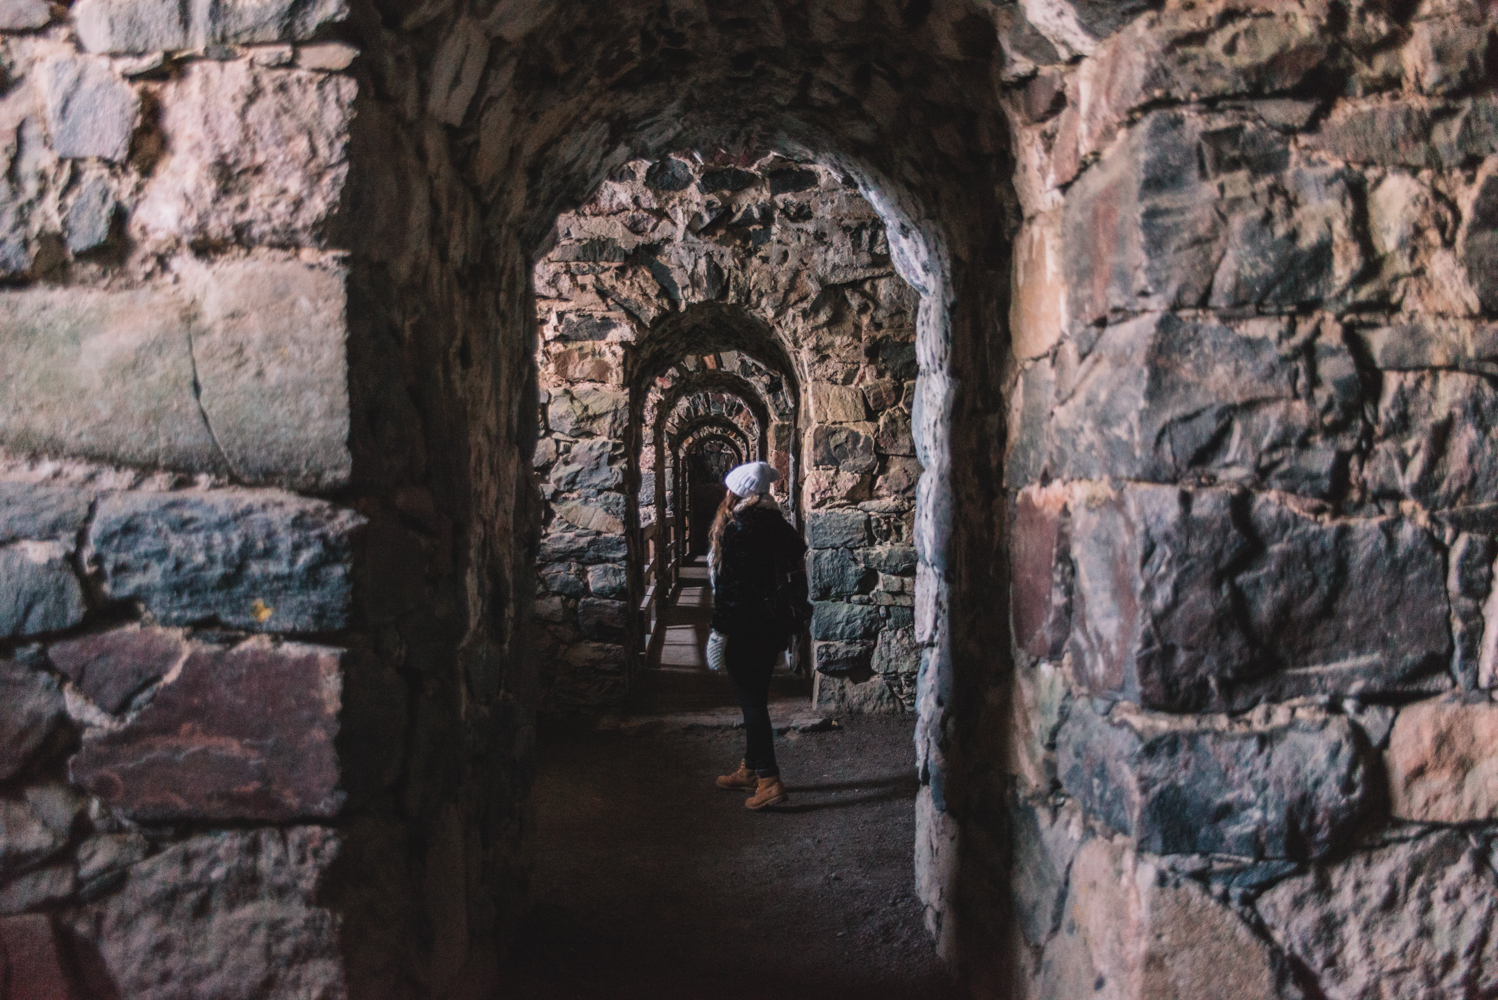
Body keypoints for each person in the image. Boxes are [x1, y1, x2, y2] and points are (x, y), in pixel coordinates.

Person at [706, 461, 809, 810]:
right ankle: (751, 768)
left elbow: (731, 589)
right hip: (773, 626)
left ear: (739, 493)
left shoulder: (740, 528)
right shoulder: (780, 526)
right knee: (756, 696)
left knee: (751, 702)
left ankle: (768, 778)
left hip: (746, 628)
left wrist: (719, 631)